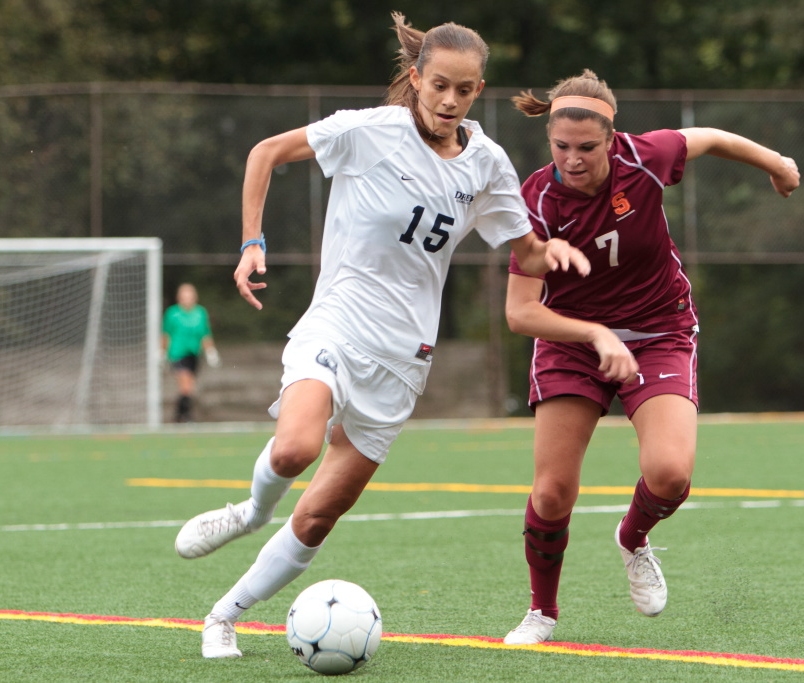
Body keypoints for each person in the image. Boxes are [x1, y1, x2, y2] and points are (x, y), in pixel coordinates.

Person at [173, 13, 590, 659]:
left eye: (466, 90)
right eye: (440, 85)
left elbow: (524, 250)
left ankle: (222, 615)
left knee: (316, 516)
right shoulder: (368, 131)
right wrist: (253, 242)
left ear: (479, 90)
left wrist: (553, 252)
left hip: (403, 361)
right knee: (294, 450)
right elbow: (266, 153)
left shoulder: (487, 163)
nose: (450, 101)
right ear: (417, 78)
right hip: (338, 324)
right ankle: (250, 511)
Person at [501, 70, 800, 645]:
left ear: (612, 140)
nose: (573, 159)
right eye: (561, 147)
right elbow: (520, 313)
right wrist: (595, 335)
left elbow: (710, 137)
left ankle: (633, 538)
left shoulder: (646, 158)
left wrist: (777, 164)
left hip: (660, 331)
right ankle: (542, 612)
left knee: (670, 474)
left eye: (587, 148)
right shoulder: (535, 200)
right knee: (552, 492)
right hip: (572, 344)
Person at [161, 283, 220, 423]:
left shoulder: (200, 313)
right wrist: (162, 352)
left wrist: (211, 351)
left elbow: (205, 334)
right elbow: (166, 334)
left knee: (190, 388)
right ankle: (186, 416)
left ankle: (178, 416)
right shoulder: (172, 313)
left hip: (193, 353)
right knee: (186, 386)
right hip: (177, 353)